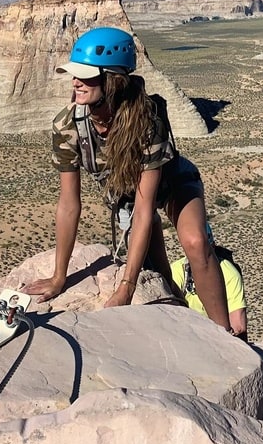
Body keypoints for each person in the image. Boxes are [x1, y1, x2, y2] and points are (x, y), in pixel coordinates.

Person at [24, 27, 233, 332]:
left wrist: (126, 287)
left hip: (170, 183)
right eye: (74, 75)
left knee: (196, 242)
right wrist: (59, 277)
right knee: (160, 275)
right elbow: (69, 204)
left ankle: (225, 335)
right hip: (126, 198)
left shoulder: (147, 119)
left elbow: (146, 208)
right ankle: (183, 312)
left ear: (112, 79)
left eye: (86, 75)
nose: (75, 82)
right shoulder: (68, 125)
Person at [171, 222, 247, 341]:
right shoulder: (177, 270)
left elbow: (238, 326)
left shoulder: (229, 274)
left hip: (219, 337)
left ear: (212, 246)